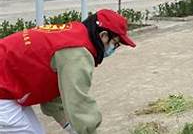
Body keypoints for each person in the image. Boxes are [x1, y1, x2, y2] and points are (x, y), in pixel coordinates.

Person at [0, 9, 136, 134]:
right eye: (116, 43)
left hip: (7, 86)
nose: (114, 48)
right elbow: (78, 101)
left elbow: (53, 96)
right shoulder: (77, 52)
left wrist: (70, 127)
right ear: (103, 36)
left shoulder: (73, 34)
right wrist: (87, 130)